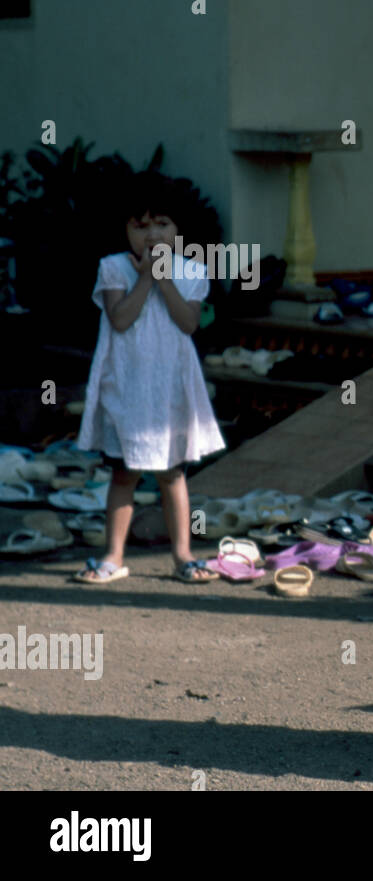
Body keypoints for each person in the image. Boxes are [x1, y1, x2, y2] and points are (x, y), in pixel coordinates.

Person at [74, 171, 225, 585]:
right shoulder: (113, 269)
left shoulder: (192, 271)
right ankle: (112, 556)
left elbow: (188, 322)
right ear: (124, 230)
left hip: (171, 390)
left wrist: (163, 278)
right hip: (126, 388)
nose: (152, 235)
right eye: (140, 226)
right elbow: (120, 320)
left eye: (163, 225)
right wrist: (145, 278)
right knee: (123, 473)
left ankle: (182, 555)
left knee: (173, 473)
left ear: (178, 229)